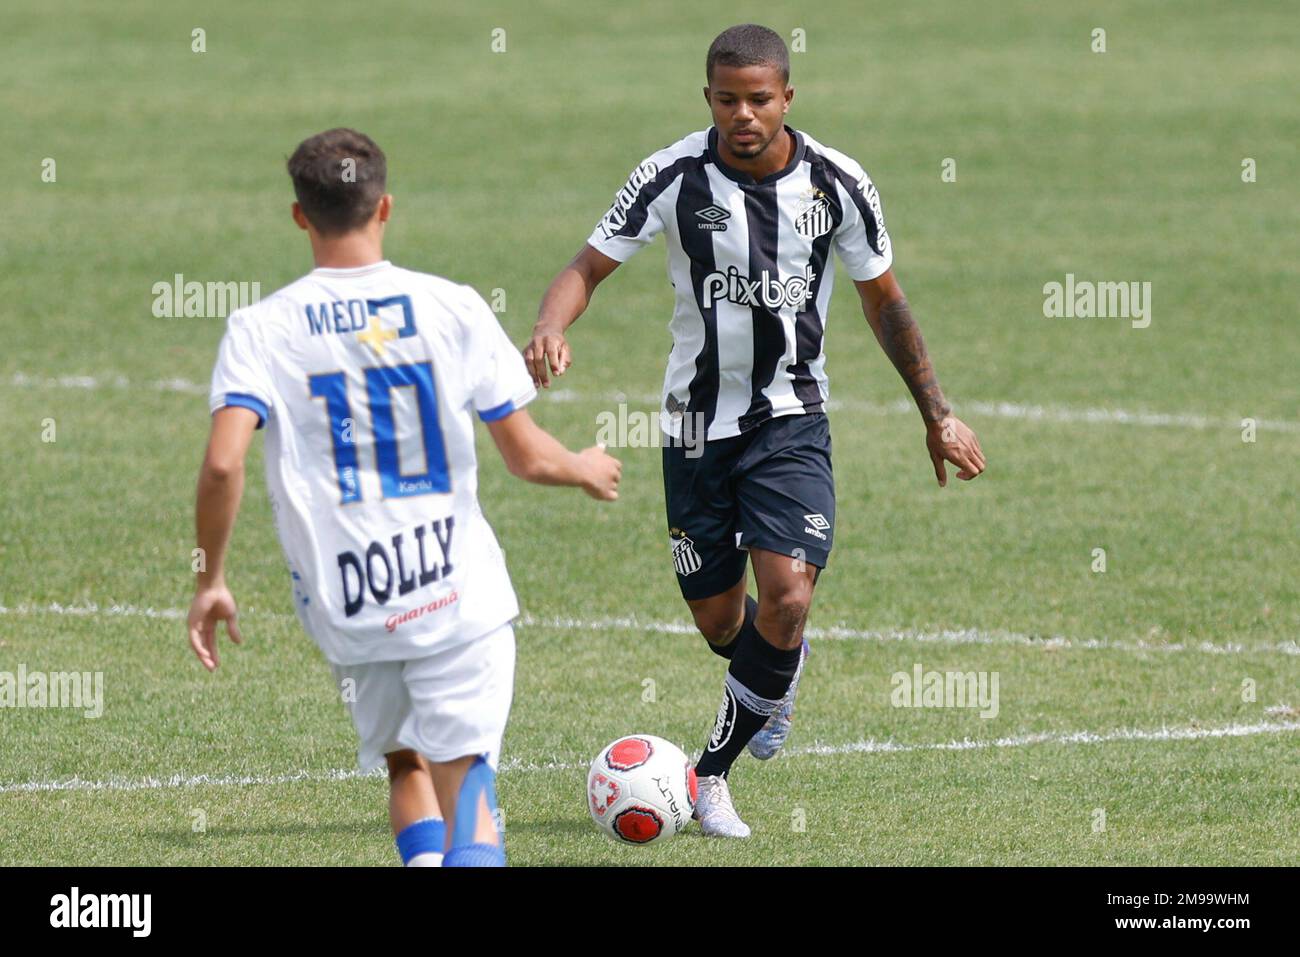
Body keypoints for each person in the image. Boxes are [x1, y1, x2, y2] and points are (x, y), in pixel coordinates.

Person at [525, 25, 985, 838]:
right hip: (696, 427)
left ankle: (707, 779)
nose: (744, 114)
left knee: (789, 593)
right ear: (707, 98)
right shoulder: (670, 176)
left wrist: (936, 411)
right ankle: (779, 666)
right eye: (728, 99)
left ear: (787, 98)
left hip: (790, 422)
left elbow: (887, 302)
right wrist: (549, 327)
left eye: (760, 99)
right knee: (720, 621)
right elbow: (586, 266)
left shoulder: (837, 184)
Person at [187, 128, 621, 866]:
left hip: (350, 600)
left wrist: (212, 579)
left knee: (405, 761)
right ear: (384, 205)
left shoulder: (261, 328)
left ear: (300, 216)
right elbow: (524, 456)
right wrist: (582, 466)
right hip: (455, 593)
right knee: (467, 778)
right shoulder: (449, 307)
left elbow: (224, 463)